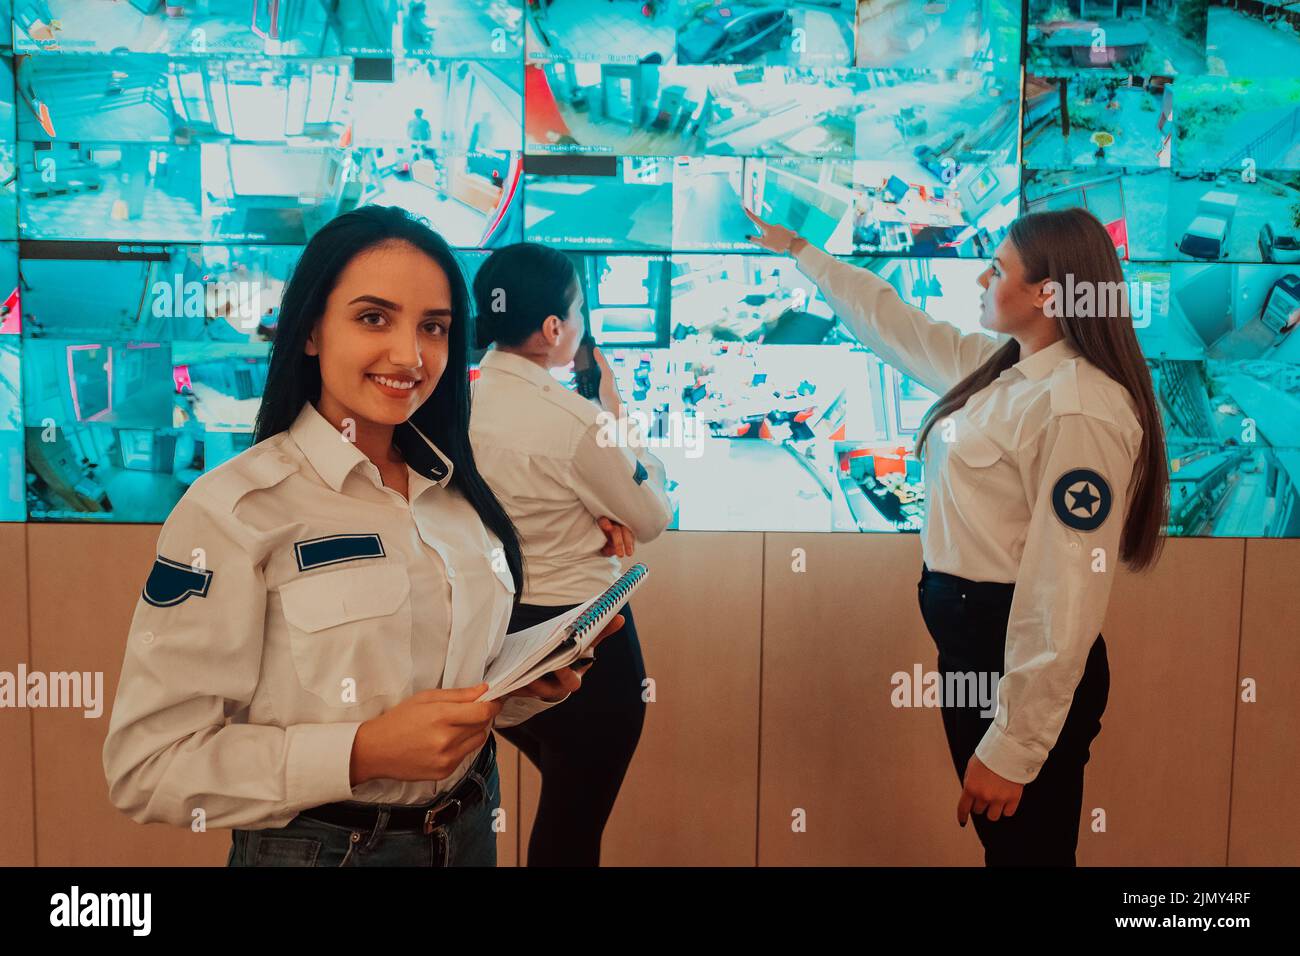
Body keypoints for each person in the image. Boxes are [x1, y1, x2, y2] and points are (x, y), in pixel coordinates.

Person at [102, 206, 622, 867]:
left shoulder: (458, 494)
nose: (409, 355)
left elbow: (423, 689)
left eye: (433, 327)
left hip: (468, 830)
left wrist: (514, 690)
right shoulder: (235, 511)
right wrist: (362, 752)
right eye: (373, 318)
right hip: (323, 850)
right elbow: (147, 767)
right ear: (313, 330)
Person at [744, 204, 1169, 866]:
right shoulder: (1002, 369)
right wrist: (802, 250)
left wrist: (1014, 744)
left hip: (1014, 655)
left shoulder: (1077, 408)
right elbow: (894, 324)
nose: (980, 278)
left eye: (997, 269)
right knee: (1014, 855)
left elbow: (1064, 591)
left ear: (1049, 294)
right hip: (976, 648)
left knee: (1027, 857)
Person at [468, 242, 674, 866]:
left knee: (556, 803)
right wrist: (615, 420)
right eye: (580, 311)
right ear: (554, 328)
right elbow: (654, 517)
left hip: (490, 638)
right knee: (573, 825)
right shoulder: (578, 421)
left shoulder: (456, 404)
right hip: (582, 642)